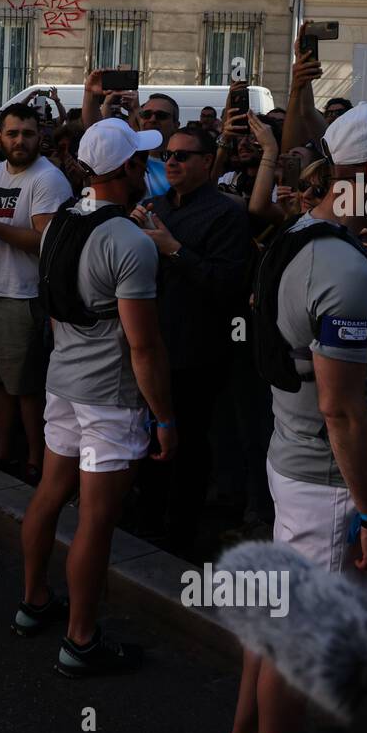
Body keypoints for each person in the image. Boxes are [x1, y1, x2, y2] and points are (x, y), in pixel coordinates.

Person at [231, 102, 367, 733]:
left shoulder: (319, 235)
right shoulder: (342, 268)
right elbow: (342, 408)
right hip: (333, 484)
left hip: (303, 466)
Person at [18, 118, 176, 676]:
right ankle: (80, 640)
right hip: (110, 396)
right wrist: (165, 417)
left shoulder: (59, 222)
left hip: (63, 381)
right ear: (129, 167)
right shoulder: (130, 241)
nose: (148, 168)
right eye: (142, 159)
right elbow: (144, 345)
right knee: (96, 521)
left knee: (48, 494)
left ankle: (34, 602)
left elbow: (55, 309)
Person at [134, 125, 252, 556]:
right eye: (168, 154)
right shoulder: (152, 205)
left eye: (184, 155)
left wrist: (174, 249)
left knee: (188, 444)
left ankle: (180, 534)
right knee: (149, 437)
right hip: (150, 343)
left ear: (207, 162)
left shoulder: (226, 214)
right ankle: (146, 519)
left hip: (196, 350)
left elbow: (226, 284)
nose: (172, 161)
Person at [0, 103, 74, 484]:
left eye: (28, 133)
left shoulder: (49, 179)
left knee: (26, 387)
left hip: (22, 297)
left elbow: (47, 241)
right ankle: (2, 452)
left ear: (39, 136)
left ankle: (35, 461)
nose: (20, 141)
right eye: (12, 133)